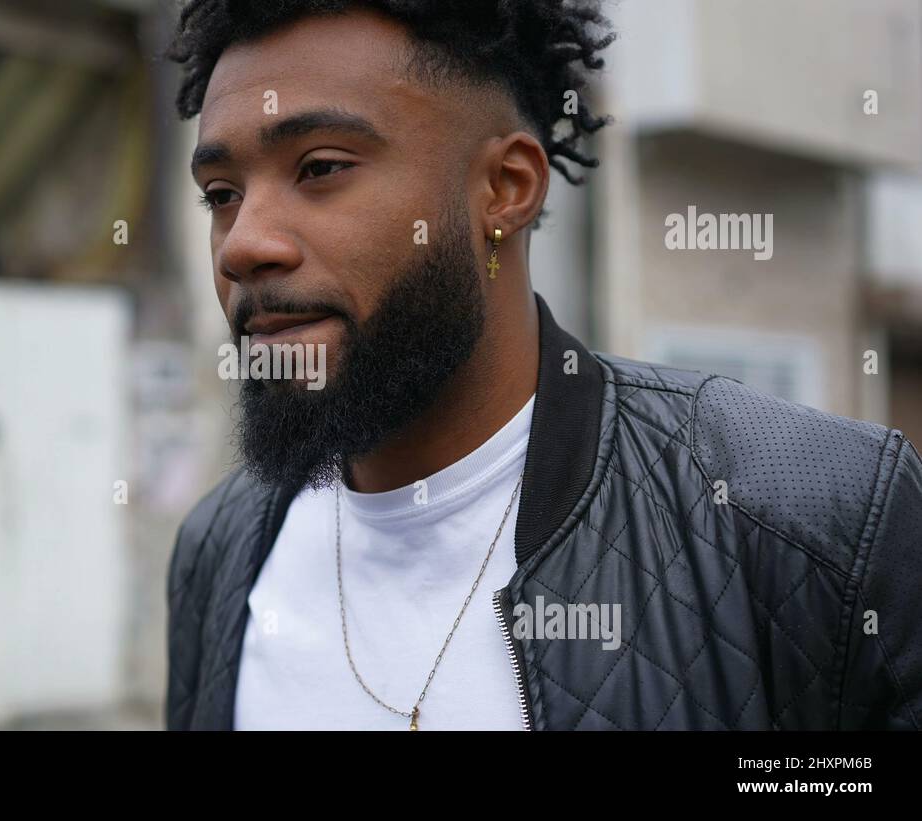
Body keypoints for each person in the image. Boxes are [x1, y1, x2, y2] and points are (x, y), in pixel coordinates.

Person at [163, 0, 922, 730]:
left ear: (506, 188)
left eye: (320, 168)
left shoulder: (806, 524)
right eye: (221, 194)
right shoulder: (219, 551)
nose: (242, 244)